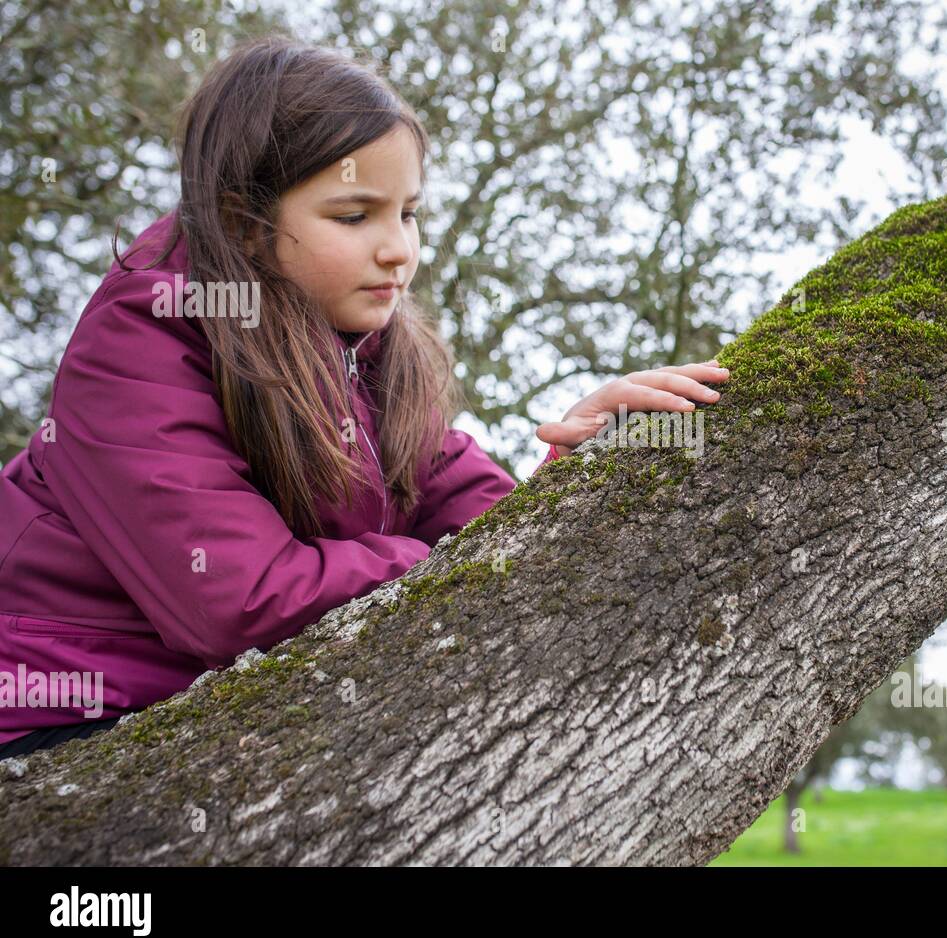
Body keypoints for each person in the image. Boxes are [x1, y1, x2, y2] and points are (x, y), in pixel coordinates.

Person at [0, 35, 729, 760]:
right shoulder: (143, 331)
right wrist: (431, 562)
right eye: (354, 216)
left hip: (215, 706)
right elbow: (239, 602)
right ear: (246, 225)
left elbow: (493, 539)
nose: (398, 250)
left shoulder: (370, 350)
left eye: (408, 213)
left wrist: (573, 463)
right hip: (59, 714)